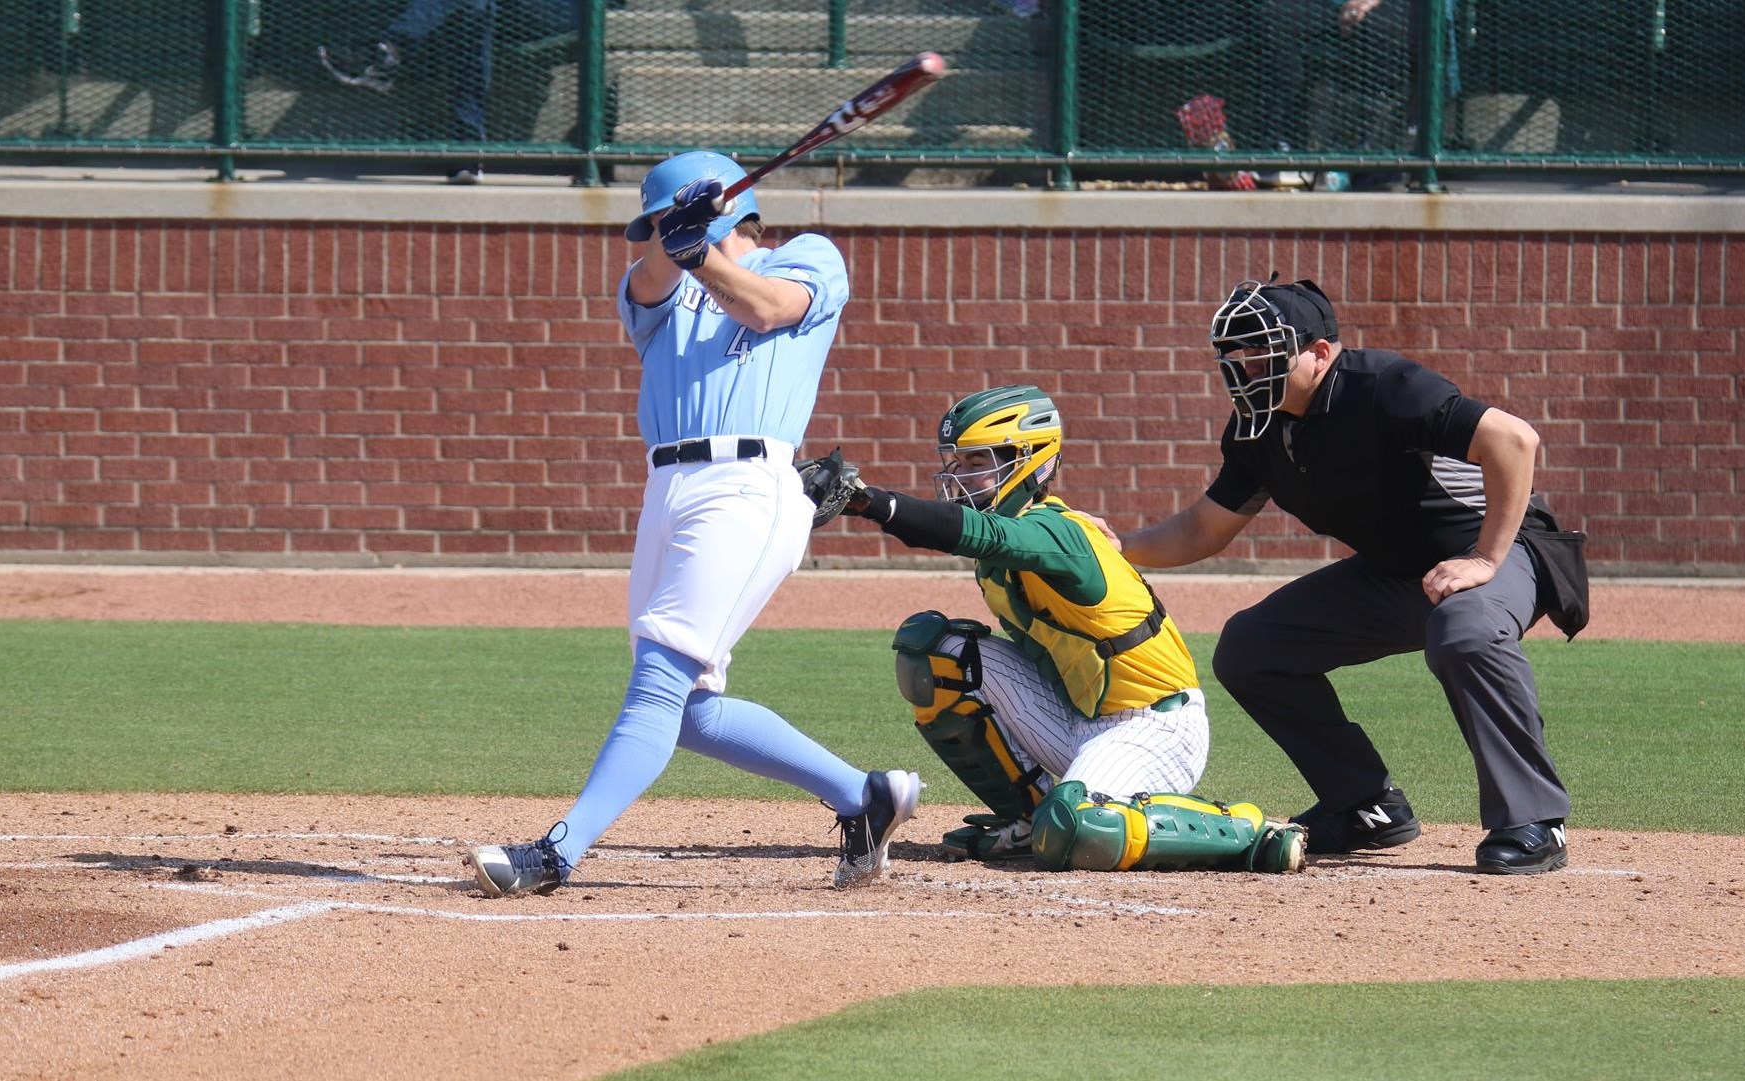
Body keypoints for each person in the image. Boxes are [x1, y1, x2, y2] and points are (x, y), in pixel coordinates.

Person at [463, 151, 921, 897]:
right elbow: (648, 279)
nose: (654, 238)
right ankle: (863, 796)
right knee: (692, 710)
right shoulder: (661, 285)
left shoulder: (808, 258)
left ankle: (557, 851)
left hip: (746, 486)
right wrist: (679, 241)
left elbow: (768, 308)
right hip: (668, 489)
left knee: (658, 678)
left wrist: (702, 244)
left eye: (663, 221)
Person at [1115, 277, 1587, 875]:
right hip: (1397, 574)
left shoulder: (1384, 386)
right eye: (1235, 354)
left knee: (1465, 631)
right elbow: (1202, 530)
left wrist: (1486, 560)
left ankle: (1534, 821)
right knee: (1252, 648)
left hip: (1501, 548)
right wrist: (1118, 547)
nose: (1244, 366)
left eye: (1262, 350)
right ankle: (1365, 804)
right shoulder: (1254, 428)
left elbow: (1515, 440)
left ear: (1319, 351)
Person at [820, 385, 1306, 875]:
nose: (959, 477)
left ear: (1036, 463)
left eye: (977, 462)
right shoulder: (1010, 541)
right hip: (1080, 717)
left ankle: (1249, 833)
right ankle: (1029, 820)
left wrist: (869, 502)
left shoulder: (1057, 531)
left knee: (1078, 827)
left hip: (1155, 728)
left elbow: (970, 531)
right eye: (957, 463)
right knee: (933, 650)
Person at [318, 0, 577, 183]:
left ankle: (387, 54)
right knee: (473, 8)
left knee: (472, 7)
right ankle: (467, 153)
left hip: (563, 8)